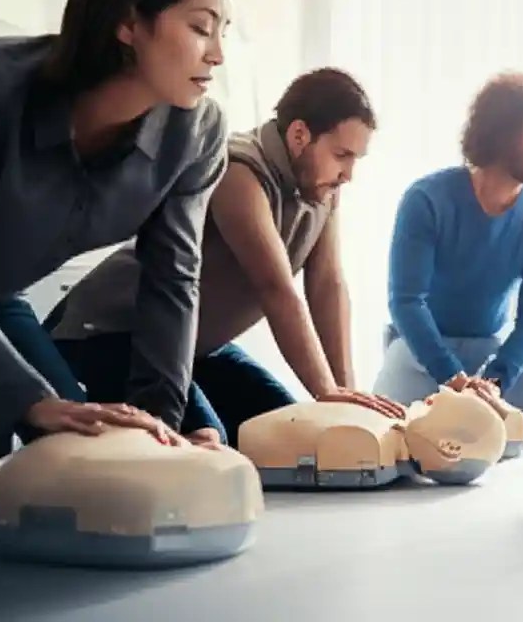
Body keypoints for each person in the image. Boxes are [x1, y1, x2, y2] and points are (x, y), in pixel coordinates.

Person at [0, 0, 235, 470]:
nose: (217, 54)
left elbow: (171, 280)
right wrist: (24, 393)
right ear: (127, 24)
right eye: (200, 28)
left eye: (223, 33)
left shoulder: (198, 132)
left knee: (89, 444)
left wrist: (159, 427)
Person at [45, 68, 406, 448]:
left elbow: (327, 283)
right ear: (300, 135)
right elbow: (275, 287)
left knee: (290, 437)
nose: (348, 174)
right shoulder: (238, 168)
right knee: (210, 443)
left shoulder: (323, 188)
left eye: (356, 159)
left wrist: (346, 397)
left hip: (195, 348)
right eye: (342, 155)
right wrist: (325, 391)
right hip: (111, 335)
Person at [374, 72, 523, 442]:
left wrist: (493, 382)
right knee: (384, 429)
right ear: (503, 131)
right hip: (419, 351)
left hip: (489, 351)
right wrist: (453, 380)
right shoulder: (426, 199)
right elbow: (407, 302)